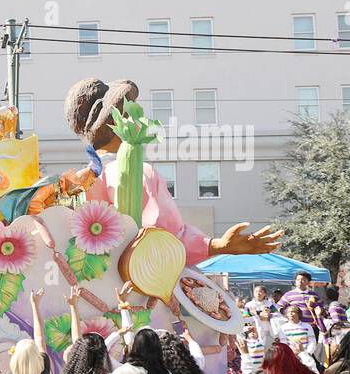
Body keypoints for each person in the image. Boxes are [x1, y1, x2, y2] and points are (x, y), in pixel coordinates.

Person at [65, 77, 283, 264]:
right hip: (142, 294)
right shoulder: (140, 172)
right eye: (129, 111)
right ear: (115, 122)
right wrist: (216, 246)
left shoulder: (75, 184)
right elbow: (167, 237)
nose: (139, 118)